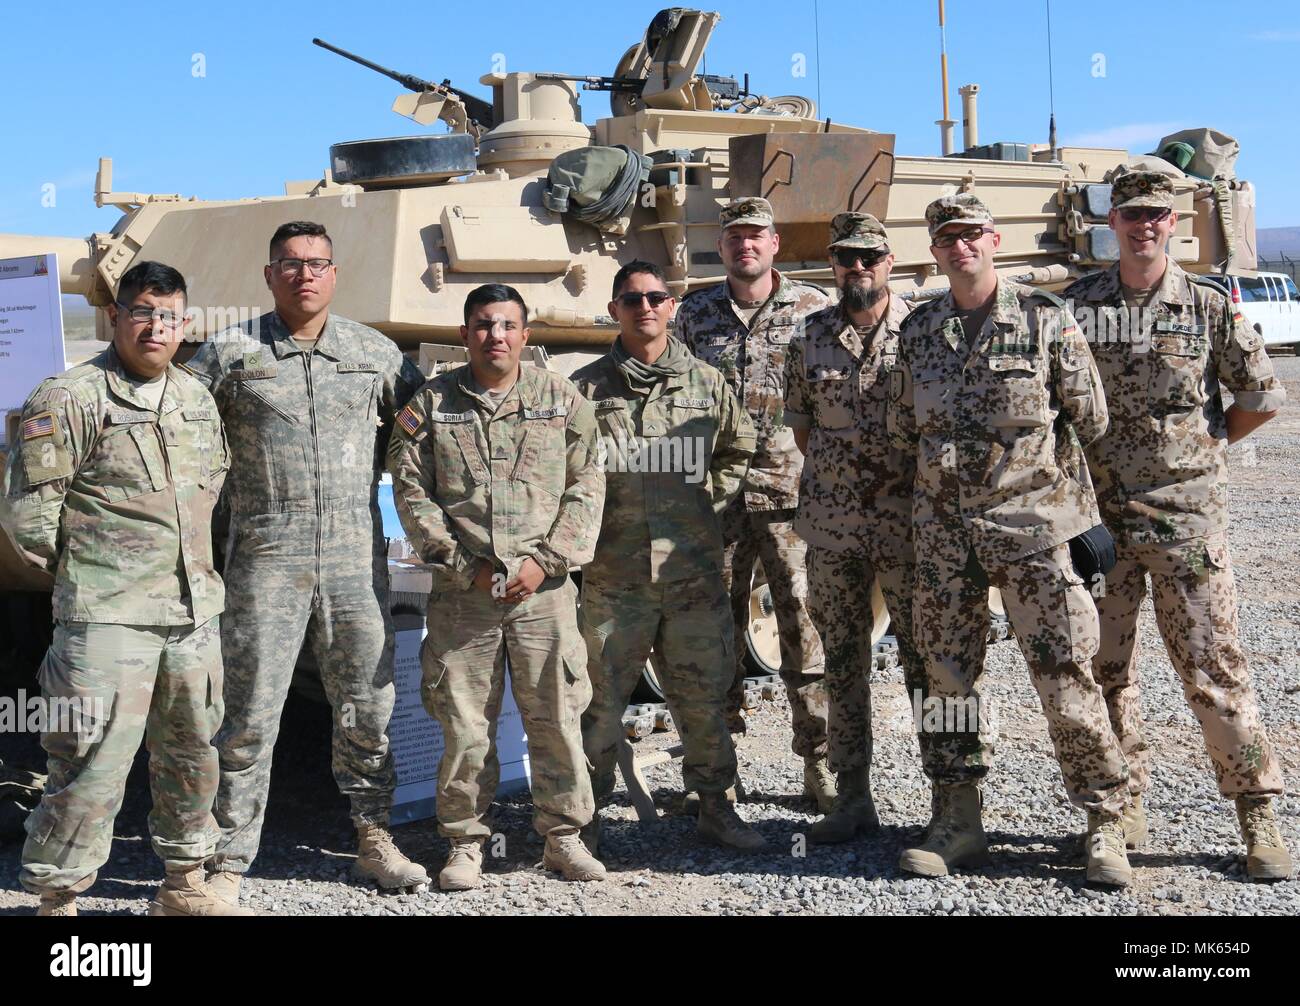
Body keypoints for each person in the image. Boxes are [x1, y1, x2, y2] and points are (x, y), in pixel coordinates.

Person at [890, 193, 1133, 885]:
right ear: (934, 250)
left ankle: (1104, 825)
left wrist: (1081, 518)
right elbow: (909, 426)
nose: (960, 247)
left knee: (1066, 679)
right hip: (943, 539)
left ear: (994, 240)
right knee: (946, 683)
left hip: (1034, 533)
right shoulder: (919, 330)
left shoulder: (1045, 319)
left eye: (972, 235)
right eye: (947, 238)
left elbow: (1090, 422)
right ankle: (957, 822)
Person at [187, 221, 429, 903]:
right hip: (265, 561)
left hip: (355, 560)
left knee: (366, 707)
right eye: (289, 264)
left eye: (317, 263)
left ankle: (373, 838)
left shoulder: (372, 354)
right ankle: (228, 858)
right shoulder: (229, 353)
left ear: (334, 272)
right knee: (249, 713)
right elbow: (183, 439)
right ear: (269, 275)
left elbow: (423, 438)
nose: (304, 275)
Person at [1, 261, 249, 916]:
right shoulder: (70, 397)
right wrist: (96, 578)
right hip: (106, 619)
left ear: (184, 323)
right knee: (89, 764)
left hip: (191, 614)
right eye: (142, 311)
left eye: (168, 315)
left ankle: (184, 884)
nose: (155, 326)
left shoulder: (194, 397)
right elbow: (30, 519)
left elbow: (212, 489)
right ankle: (59, 898)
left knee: (195, 754)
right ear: (116, 317)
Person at [1065, 169, 1292, 880]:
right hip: (1099, 521)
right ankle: (1117, 809)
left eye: (1155, 215)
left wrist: (1204, 446)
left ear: (1173, 223)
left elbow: (1258, 396)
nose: (1143, 225)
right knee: (1102, 672)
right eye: (1131, 213)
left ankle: (1257, 815)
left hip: (1186, 519)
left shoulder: (1205, 306)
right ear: (1114, 219)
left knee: (1214, 670)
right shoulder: (1076, 307)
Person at [387, 283, 607, 890]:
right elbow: (412, 492)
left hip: (544, 592)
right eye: (484, 325)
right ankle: (464, 844)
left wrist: (548, 559)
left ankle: (563, 838)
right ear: (465, 334)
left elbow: (587, 486)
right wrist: (463, 565)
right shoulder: (431, 404)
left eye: (508, 325)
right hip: (465, 595)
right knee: (463, 724)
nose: (496, 336)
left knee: (557, 717)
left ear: (525, 334)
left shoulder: (561, 399)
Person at [573, 260, 765, 852]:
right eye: (632, 300)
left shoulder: (707, 382)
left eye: (656, 297)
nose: (645, 307)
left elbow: (739, 446)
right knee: (597, 703)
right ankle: (585, 817)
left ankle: (714, 806)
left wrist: (710, 500)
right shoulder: (584, 389)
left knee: (703, 697)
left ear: (672, 306)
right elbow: (561, 467)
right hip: (614, 576)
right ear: (615, 310)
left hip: (691, 574)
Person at [785, 212, 965, 841]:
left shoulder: (924, 333)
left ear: (890, 263)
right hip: (833, 530)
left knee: (928, 666)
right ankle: (852, 798)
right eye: (845, 258)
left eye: (869, 258)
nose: (856, 269)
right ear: (834, 266)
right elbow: (804, 429)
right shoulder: (807, 337)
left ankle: (946, 804)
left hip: (911, 530)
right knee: (842, 663)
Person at [675, 197, 834, 810]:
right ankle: (716, 771)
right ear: (723, 245)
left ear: (774, 243)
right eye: (735, 235)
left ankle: (819, 763)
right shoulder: (694, 314)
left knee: (800, 621)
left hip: (789, 488)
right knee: (710, 630)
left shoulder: (813, 310)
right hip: (713, 494)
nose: (746, 245)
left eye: (757, 236)